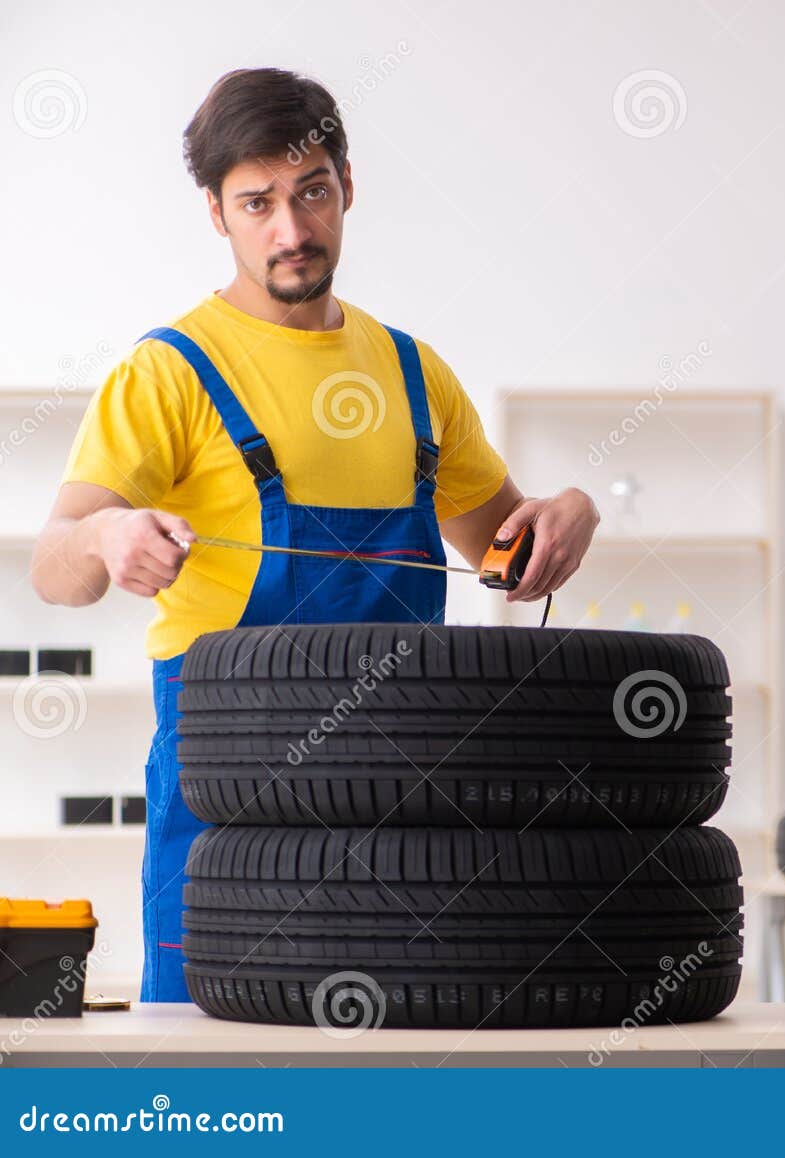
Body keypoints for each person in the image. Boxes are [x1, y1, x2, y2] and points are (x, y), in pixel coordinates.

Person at [27, 67, 601, 1003]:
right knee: (210, 1062)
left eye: (312, 194)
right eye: (257, 203)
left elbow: (511, 561)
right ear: (216, 212)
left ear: (348, 186)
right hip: (227, 793)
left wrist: (571, 511)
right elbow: (55, 567)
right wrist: (106, 537)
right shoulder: (170, 372)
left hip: (408, 793)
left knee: (396, 1068)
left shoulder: (414, 373)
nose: (291, 231)